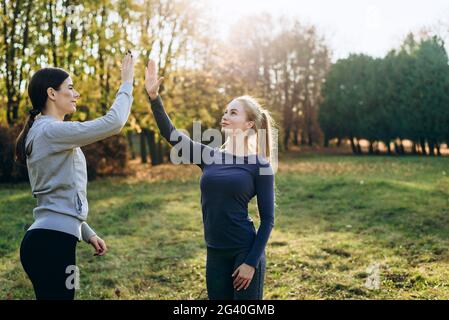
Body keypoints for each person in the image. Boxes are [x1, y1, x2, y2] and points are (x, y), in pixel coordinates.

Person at [145, 59, 275, 300]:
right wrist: (154, 98)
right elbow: (171, 134)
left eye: (233, 112)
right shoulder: (209, 155)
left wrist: (251, 263)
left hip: (244, 251)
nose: (224, 116)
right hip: (214, 252)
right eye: (225, 111)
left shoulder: (261, 165)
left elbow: (268, 220)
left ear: (249, 124)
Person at [15, 51, 135, 300]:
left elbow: (57, 196)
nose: (76, 93)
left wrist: (86, 231)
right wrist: (127, 82)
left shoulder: (44, 131)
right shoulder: (50, 131)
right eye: (70, 87)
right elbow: (114, 123)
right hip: (52, 245)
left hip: (48, 241)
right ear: (51, 93)